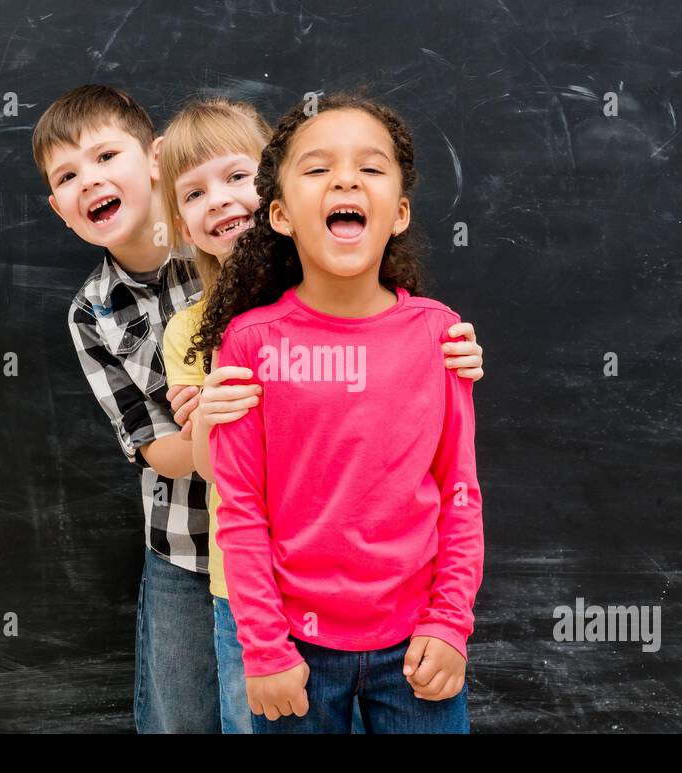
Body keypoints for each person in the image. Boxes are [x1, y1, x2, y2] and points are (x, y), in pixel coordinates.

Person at [195, 92, 485, 733]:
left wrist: (450, 622)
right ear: (278, 215)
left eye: (371, 168)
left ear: (400, 213)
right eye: (319, 168)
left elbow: (459, 492)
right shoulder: (249, 343)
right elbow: (241, 509)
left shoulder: (440, 338)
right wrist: (264, 647)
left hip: (417, 647)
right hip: (295, 650)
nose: (347, 179)